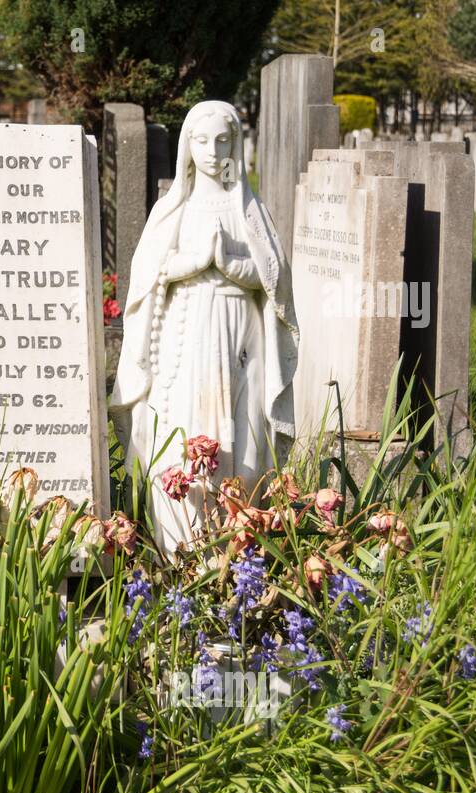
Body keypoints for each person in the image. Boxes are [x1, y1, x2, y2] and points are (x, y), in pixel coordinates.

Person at [109, 100, 299, 556]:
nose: (213, 151)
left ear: (235, 144)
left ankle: (238, 544)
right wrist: (192, 263)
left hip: (242, 331)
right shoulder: (175, 207)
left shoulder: (250, 209)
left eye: (222, 140)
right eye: (201, 141)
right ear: (187, 147)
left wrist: (232, 266)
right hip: (187, 327)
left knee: (245, 429)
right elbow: (147, 275)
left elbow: (276, 282)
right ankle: (179, 544)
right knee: (181, 424)